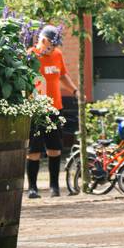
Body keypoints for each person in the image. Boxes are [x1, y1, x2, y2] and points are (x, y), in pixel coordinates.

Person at [26, 25, 77, 198]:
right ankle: (32, 188)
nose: (54, 48)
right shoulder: (30, 56)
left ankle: (54, 187)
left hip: (56, 107)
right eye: (52, 44)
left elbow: (62, 75)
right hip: (37, 110)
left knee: (55, 149)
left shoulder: (58, 55)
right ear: (44, 40)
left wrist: (75, 91)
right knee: (34, 150)